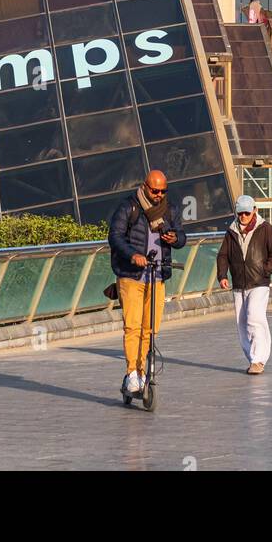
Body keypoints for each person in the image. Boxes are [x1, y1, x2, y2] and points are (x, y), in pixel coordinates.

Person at [108, 169, 186, 395]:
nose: (159, 195)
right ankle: (133, 372)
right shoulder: (129, 207)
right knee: (132, 326)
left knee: (150, 328)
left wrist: (175, 238)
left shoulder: (170, 210)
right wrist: (133, 254)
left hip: (157, 275)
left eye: (163, 191)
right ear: (145, 186)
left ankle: (143, 369)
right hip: (132, 275)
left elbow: (182, 236)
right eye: (155, 190)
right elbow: (115, 236)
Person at [216, 194, 272, 375]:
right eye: (240, 213)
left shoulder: (265, 228)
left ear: (255, 210)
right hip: (239, 283)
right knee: (242, 322)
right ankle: (252, 357)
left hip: (259, 282)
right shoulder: (231, 231)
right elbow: (223, 255)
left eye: (247, 212)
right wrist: (222, 275)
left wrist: (265, 270)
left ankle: (259, 359)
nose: (244, 216)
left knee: (255, 317)